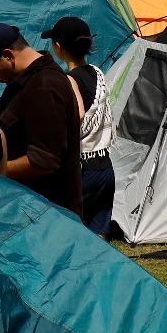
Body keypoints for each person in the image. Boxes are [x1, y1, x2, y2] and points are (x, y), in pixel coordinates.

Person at [0, 22, 83, 216]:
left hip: (49, 214)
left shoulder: (44, 87)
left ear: (8, 55)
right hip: (31, 208)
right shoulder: (25, 81)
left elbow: (44, 160)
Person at [45, 16, 115, 235]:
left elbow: (79, 115)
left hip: (82, 171)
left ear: (58, 47)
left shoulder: (69, 79)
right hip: (106, 167)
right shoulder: (98, 73)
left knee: (71, 234)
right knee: (98, 237)